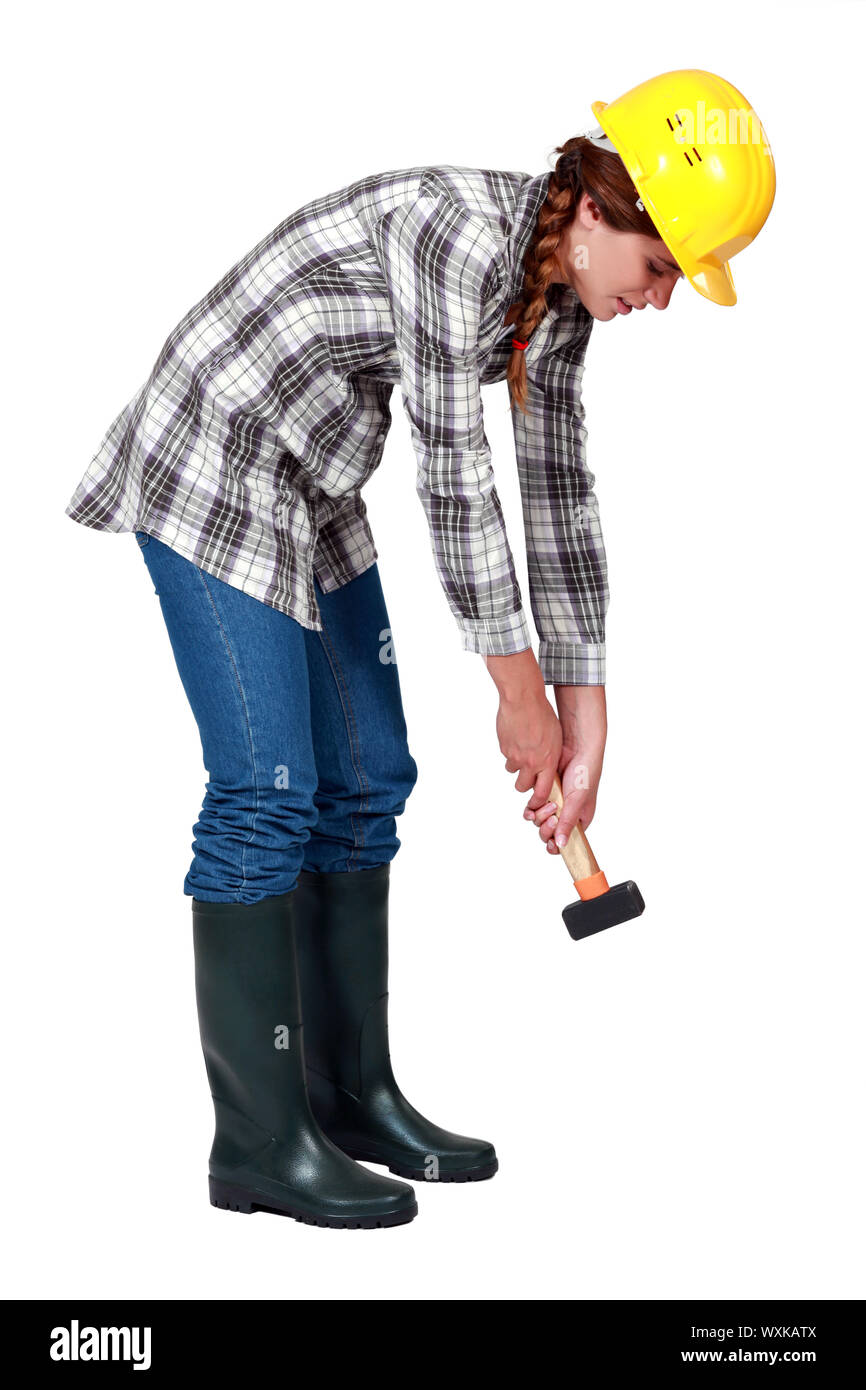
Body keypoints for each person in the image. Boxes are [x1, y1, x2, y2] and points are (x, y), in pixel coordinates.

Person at [64, 69, 775, 1229]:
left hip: (310, 476)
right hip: (216, 457)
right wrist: (517, 698)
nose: (661, 299)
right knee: (265, 791)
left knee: (369, 780)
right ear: (598, 212)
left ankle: (348, 1099)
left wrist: (584, 714)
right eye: (659, 269)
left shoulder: (551, 302)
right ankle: (256, 1140)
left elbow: (550, 488)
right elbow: (453, 479)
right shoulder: (453, 238)